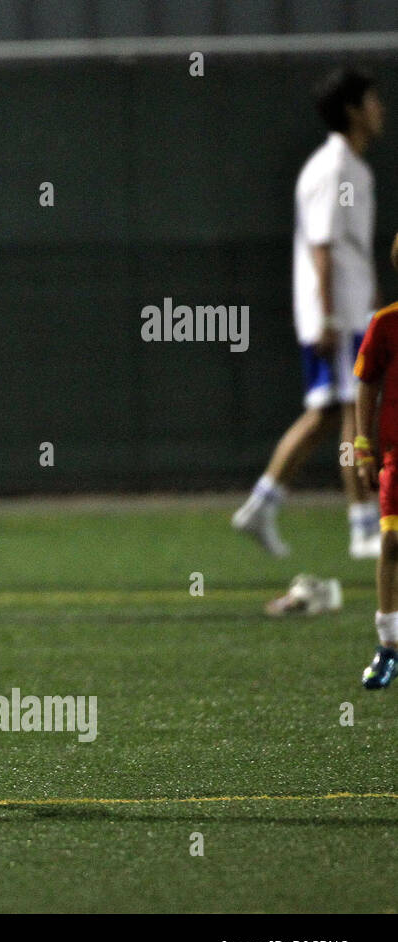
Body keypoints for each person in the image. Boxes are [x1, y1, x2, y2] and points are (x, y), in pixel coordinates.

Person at [233, 67, 385, 560]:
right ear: (352, 110)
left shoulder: (355, 170)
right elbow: (321, 247)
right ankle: (363, 525)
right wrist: (327, 317)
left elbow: (350, 249)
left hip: (351, 310)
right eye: (372, 100)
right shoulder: (333, 169)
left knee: (326, 413)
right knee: (350, 409)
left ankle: (262, 504)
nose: (380, 108)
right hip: (336, 314)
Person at [352, 231, 398, 689]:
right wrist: (362, 446)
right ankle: (389, 646)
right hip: (395, 458)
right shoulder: (385, 324)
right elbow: (366, 383)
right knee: (392, 542)